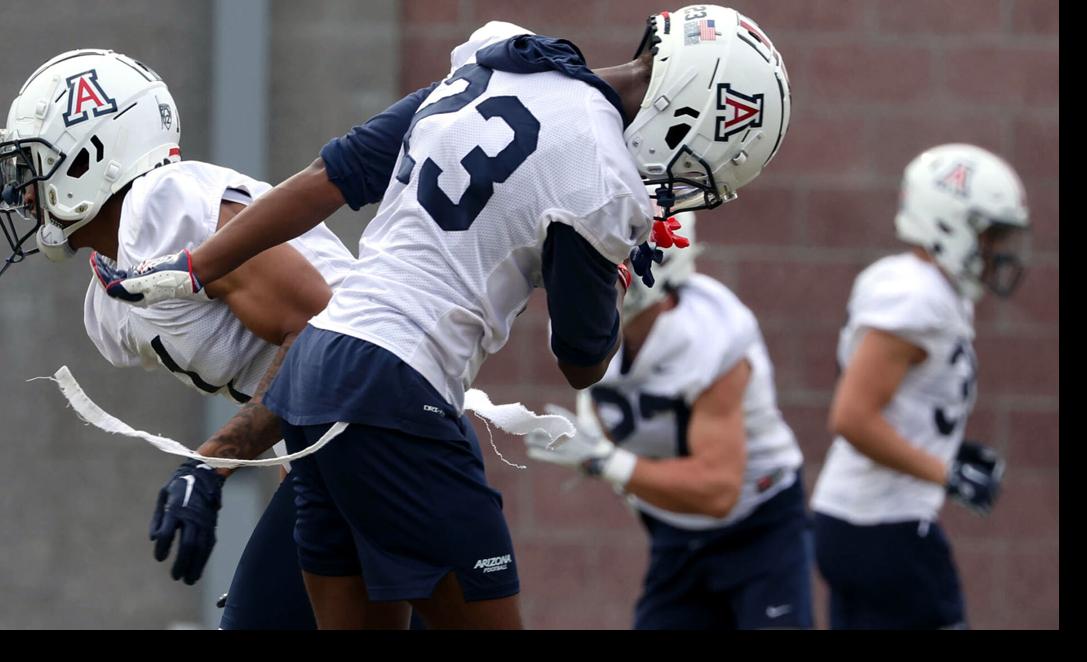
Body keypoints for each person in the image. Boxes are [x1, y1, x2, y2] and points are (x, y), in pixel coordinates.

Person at [92, 9, 792, 629]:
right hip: (399, 395)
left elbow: (324, 180)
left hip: (316, 376)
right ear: (691, 114)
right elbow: (581, 359)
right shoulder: (604, 176)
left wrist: (195, 266)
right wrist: (615, 267)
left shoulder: (499, 61)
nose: (680, 183)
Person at [1, 48, 358, 629]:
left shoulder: (162, 209)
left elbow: (327, 333)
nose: (22, 191)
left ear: (89, 155)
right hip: (345, 442)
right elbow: (283, 374)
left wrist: (210, 464)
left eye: (33, 166)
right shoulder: (109, 304)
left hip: (377, 423)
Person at [525, 212, 812, 629]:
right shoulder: (585, 321)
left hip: (756, 522)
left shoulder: (710, 333)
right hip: (673, 526)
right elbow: (602, 402)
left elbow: (718, 492)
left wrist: (607, 462)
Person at [810, 144, 1027, 630]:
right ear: (950, 223)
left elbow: (901, 404)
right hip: (883, 526)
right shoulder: (917, 296)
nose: (997, 251)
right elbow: (852, 417)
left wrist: (950, 448)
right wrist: (944, 472)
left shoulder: (931, 290)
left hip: (864, 522)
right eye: (989, 235)